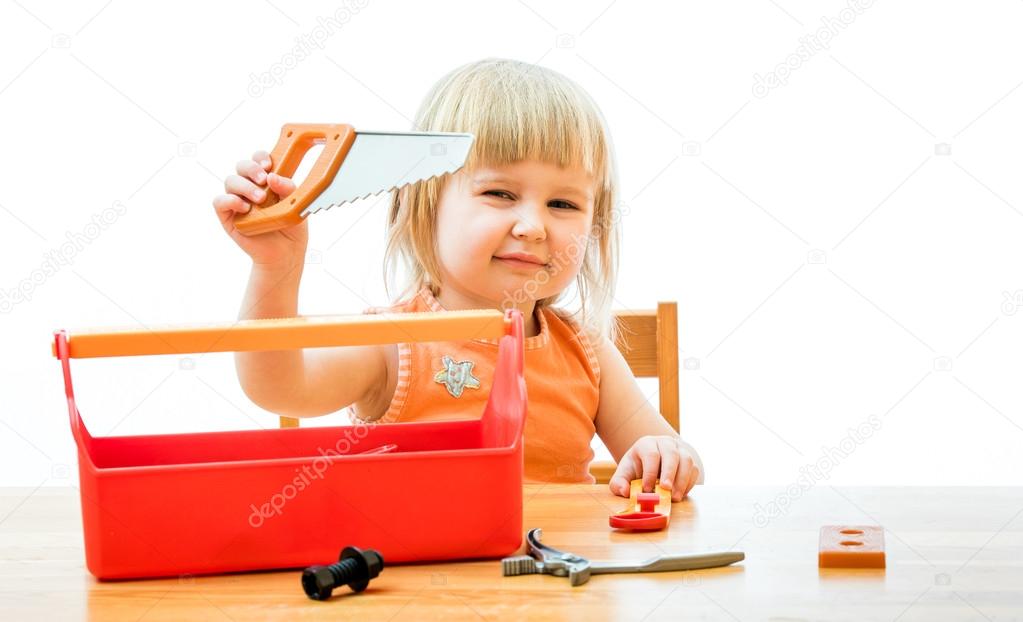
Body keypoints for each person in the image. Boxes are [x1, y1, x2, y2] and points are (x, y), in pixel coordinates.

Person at [213, 58, 703, 500]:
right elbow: (278, 388)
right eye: (498, 193)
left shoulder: (587, 351)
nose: (532, 226)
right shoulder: (392, 342)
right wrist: (276, 268)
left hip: (558, 586)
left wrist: (667, 456)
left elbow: (675, 461)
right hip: (420, 590)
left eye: (563, 204)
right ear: (422, 206)